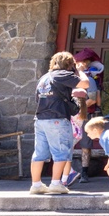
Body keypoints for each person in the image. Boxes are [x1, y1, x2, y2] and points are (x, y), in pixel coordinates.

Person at [31, 52, 89, 195]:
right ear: (69, 64)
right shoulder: (63, 74)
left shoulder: (44, 78)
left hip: (40, 119)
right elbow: (85, 84)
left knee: (39, 154)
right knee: (61, 152)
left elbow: (37, 99)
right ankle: (56, 183)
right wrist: (80, 71)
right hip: (57, 118)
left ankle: (36, 185)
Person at [65, 49, 104, 186]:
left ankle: (84, 172)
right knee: (67, 143)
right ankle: (66, 173)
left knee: (85, 145)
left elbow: (92, 99)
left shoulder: (89, 80)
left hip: (84, 115)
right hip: (72, 115)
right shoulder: (71, 78)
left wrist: (77, 109)